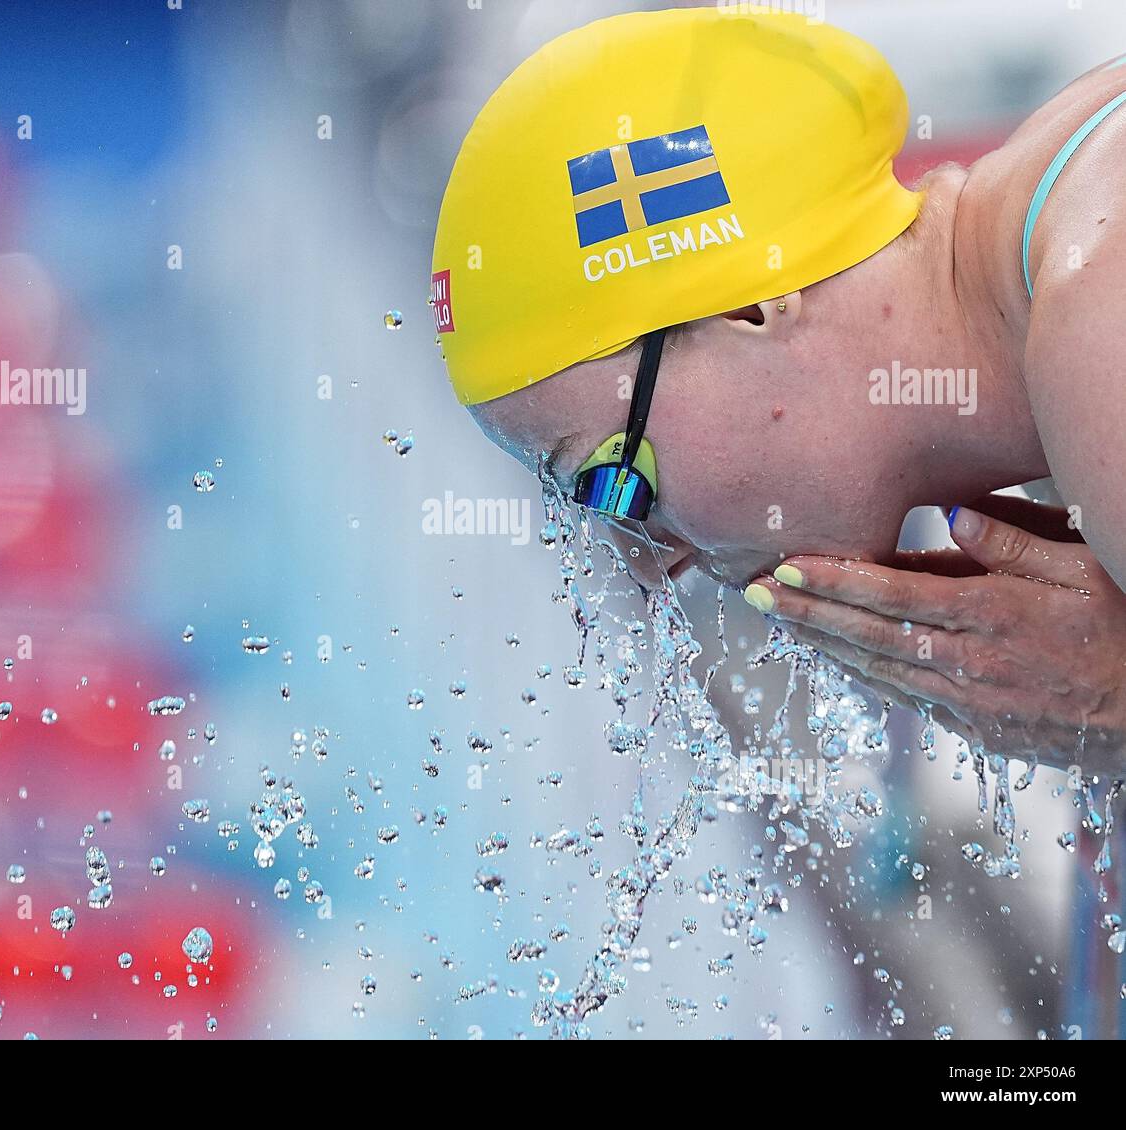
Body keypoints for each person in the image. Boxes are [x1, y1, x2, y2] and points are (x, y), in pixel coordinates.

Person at [430, 8, 1126, 770]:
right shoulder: (1056, 229)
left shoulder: (1097, 316)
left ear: (748, 306)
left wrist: (1113, 698)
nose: (652, 560)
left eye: (616, 482)